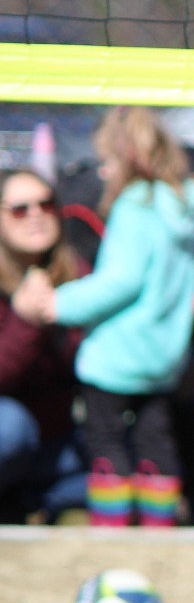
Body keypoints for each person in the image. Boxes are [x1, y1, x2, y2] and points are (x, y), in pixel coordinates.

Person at [13, 109, 194, 529]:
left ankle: (112, 530)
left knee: (106, 444)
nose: (102, 171)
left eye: (108, 161)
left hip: (115, 359)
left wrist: (59, 305)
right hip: (162, 356)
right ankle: (159, 529)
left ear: (129, 158)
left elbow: (118, 282)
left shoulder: (134, 209)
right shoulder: (184, 211)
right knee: (156, 442)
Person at [0, 169, 87, 519]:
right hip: (9, 434)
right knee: (12, 426)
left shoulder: (80, 278)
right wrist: (24, 321)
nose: (36, 214)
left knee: (114, 464)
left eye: (46, 204)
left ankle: (27, 503)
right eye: (20, 209)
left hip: (55, 444)